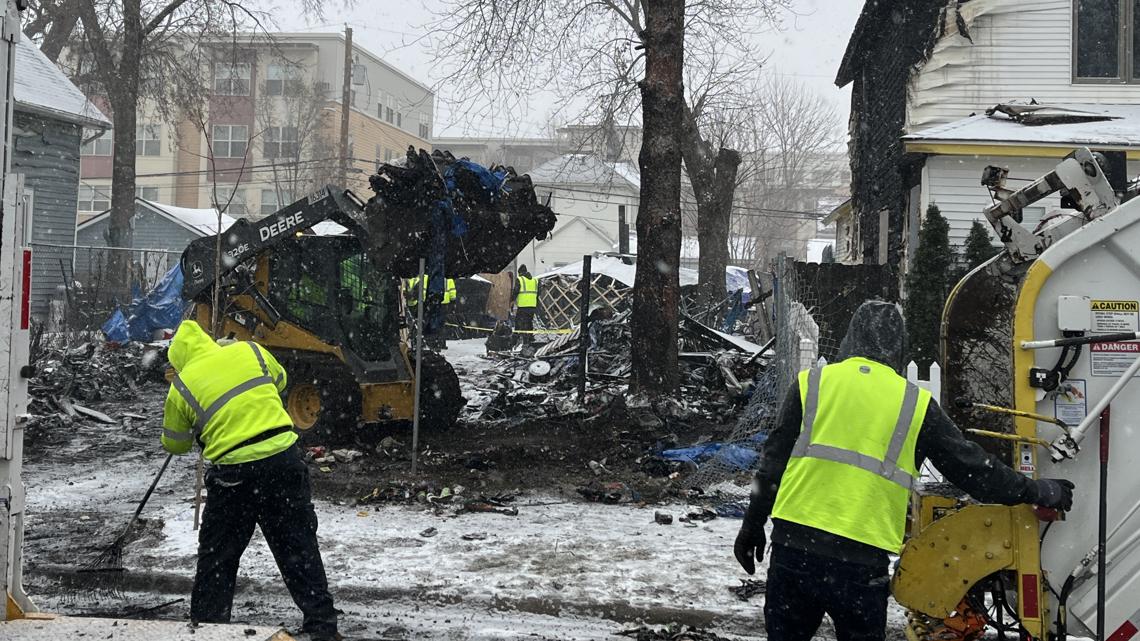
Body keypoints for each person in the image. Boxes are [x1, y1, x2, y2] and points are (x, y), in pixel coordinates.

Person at [734, 300, 1074, 641]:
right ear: (898, 346)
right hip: (860, 562)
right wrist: (1038, 490)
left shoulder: (813, 384)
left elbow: (771, 464)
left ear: (852, 337)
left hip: (795, 549)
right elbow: (973, 470)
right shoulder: (914, 404)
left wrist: (752, 526)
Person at [161, 320, 338, 641]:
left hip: (234, 476)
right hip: (283, 460)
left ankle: (208, 629)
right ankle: (322, 625)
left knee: (219, 557)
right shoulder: (251, 351)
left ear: (179, 361)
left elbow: (176, 444)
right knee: (298, 545)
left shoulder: (182, 386)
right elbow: (281, 380)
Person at [512, 265, 539, 345]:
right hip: (532, 307)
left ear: (520, 273)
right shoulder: (535, 280)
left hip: (523, 307)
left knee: (519, 324)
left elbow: (515, 292)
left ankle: (516, 342)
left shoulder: (520, 279)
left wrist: (512, 301)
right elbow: (538, 293)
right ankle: (529, 341)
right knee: (529, 324)